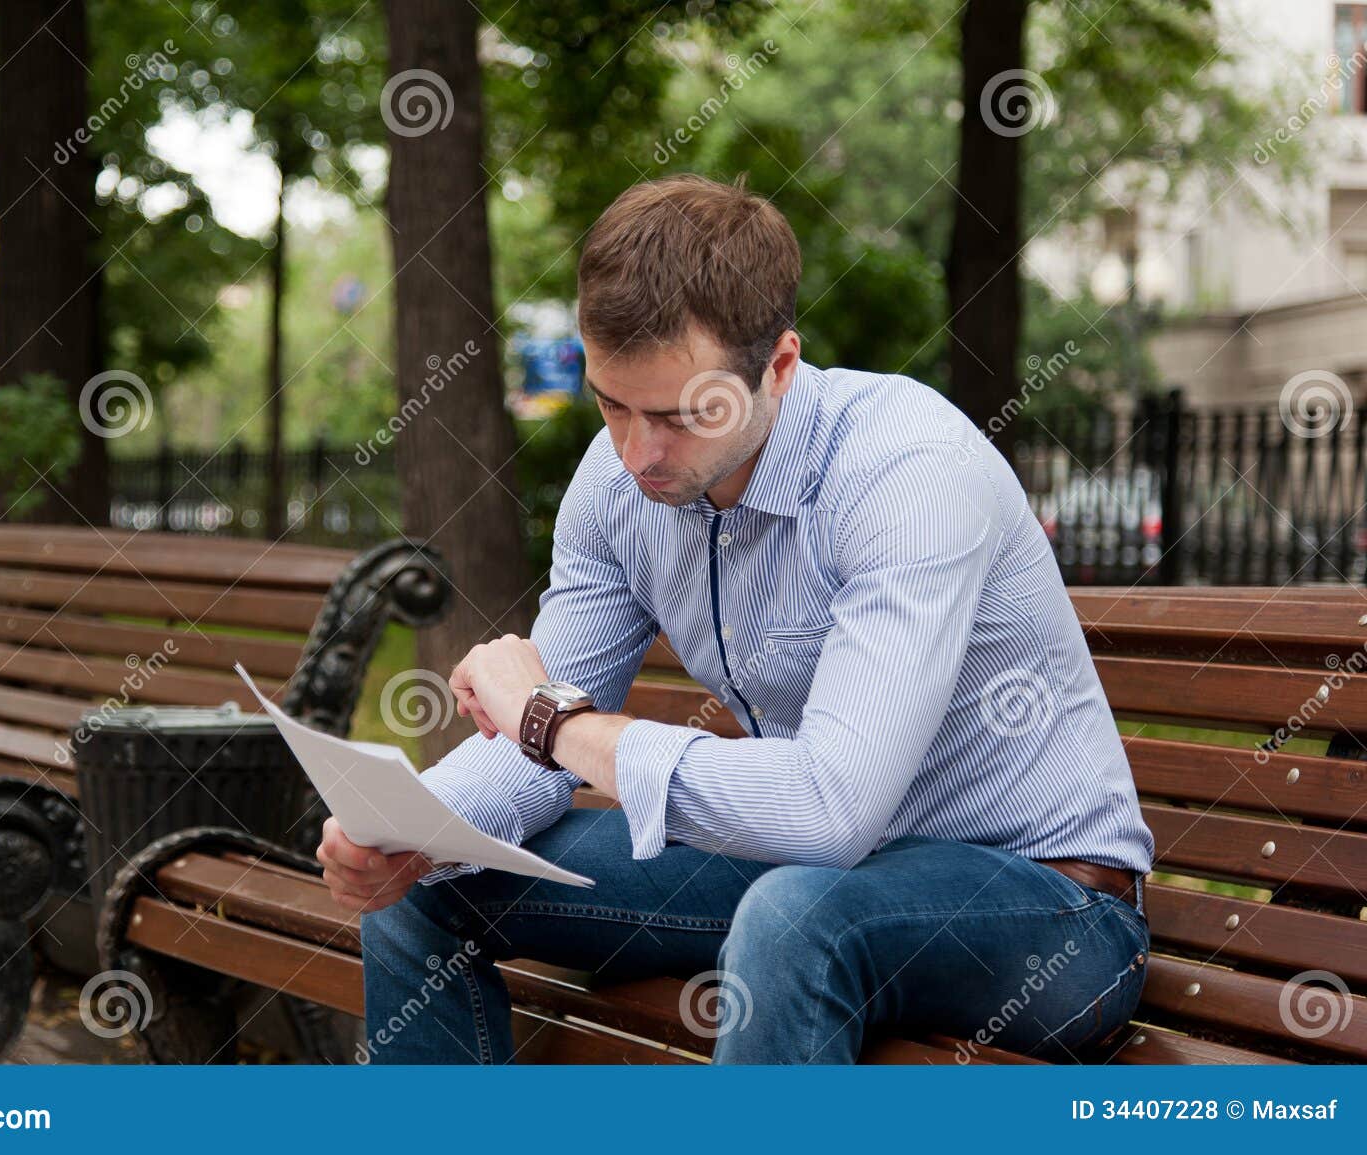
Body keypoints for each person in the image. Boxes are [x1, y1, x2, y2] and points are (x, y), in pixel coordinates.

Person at [320, 173, 1153, 1064]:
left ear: (779, 367)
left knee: (795, 921)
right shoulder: (615, 487)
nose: (638, 453)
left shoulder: (906, 470)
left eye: (681, 415)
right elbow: (530, 749)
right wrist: (410, 824)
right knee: (431, 880)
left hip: (1046, 905)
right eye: (612, 403)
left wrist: (561, 724)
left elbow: (830, 808)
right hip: (806, 877)